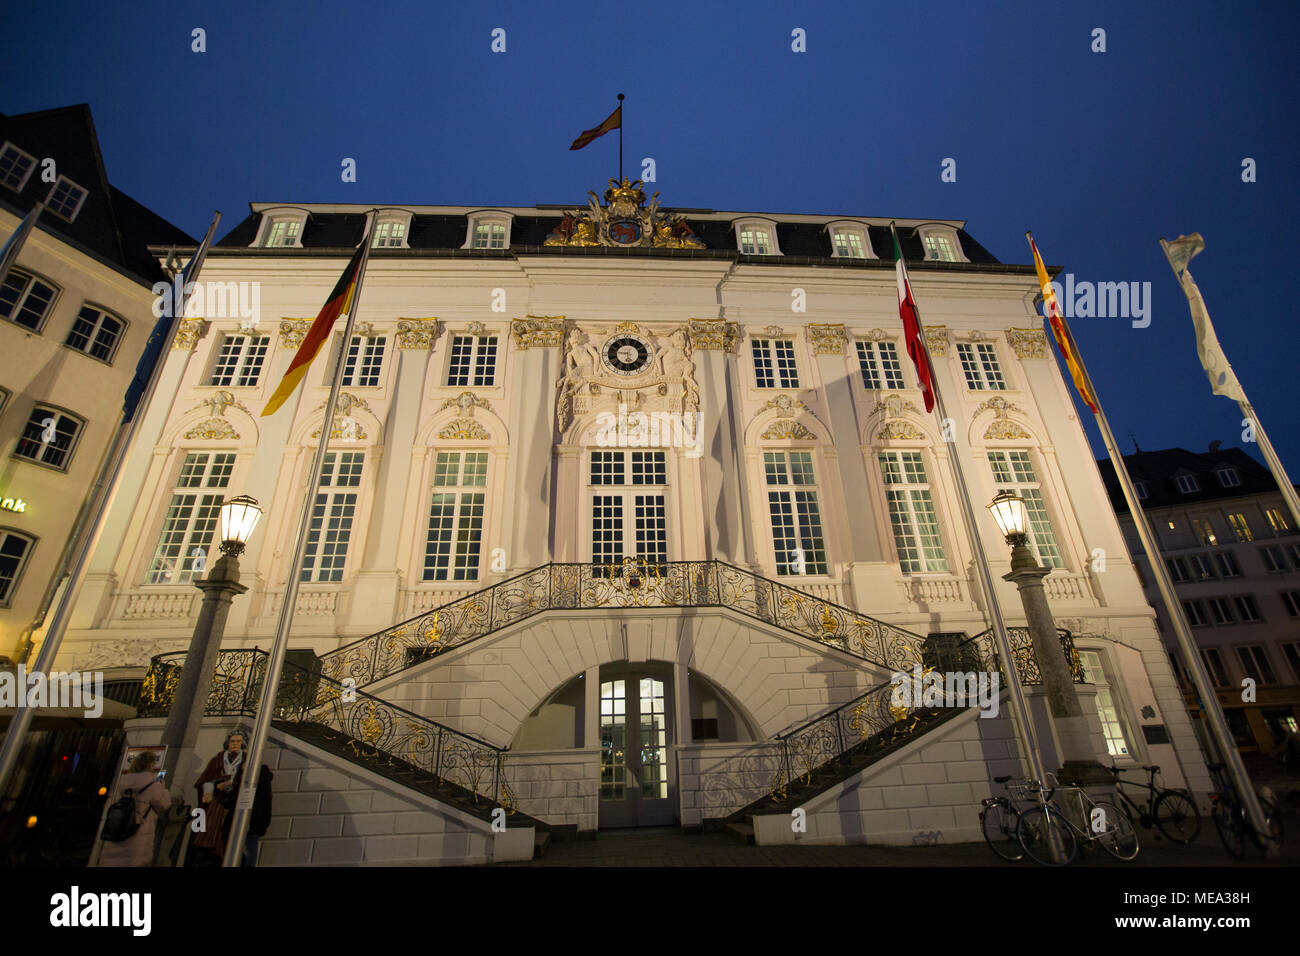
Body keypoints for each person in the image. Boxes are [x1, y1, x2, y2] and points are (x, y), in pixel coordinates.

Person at [97, 750, 171, 867]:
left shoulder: (123, 781)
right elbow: (163, 805)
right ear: (151, 765)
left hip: (117, 831)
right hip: (136, 836)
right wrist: (163, 789)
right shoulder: (153, 785)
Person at [189, 729, 246, 866]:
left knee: (225, 838)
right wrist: (214, 787)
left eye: (238, 741)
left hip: (231, 804)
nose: (235, 744)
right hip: (215, 803)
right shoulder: (218, 759)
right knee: (206, 833)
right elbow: (206, 779)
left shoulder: (246, 759)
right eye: (233, 741)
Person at [238, 763, 274, 867]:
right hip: (250, 825)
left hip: (250, 825)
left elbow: (262, 803)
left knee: (247, 855)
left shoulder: (259, 778)